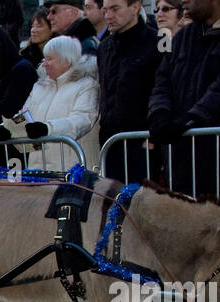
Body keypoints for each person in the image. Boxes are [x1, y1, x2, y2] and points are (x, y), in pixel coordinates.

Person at [147, 0, 220, 196]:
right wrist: (159, 113)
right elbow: (162, 80)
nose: (183, 1)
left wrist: (190, 119)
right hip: (180, 160)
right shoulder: (184, 36)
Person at [0, 36, 100, 170]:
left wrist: (48, 128)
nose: (44, 63)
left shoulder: (87, 85)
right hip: (39, 169)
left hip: (73, 170)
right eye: (44, 58)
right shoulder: (40, 87)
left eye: (49, 59)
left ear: (66, 59)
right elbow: (26, 117)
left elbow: (83, 120)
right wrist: (8, 129)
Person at [97, 0, 160, 184]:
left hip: (143, 142)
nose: (108, 16)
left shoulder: (156, 42)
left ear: (135, 7)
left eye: (115, 9)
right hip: (110, 144)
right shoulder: (104, 47)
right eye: (105, 10)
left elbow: (162, 90)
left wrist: (153, 137)